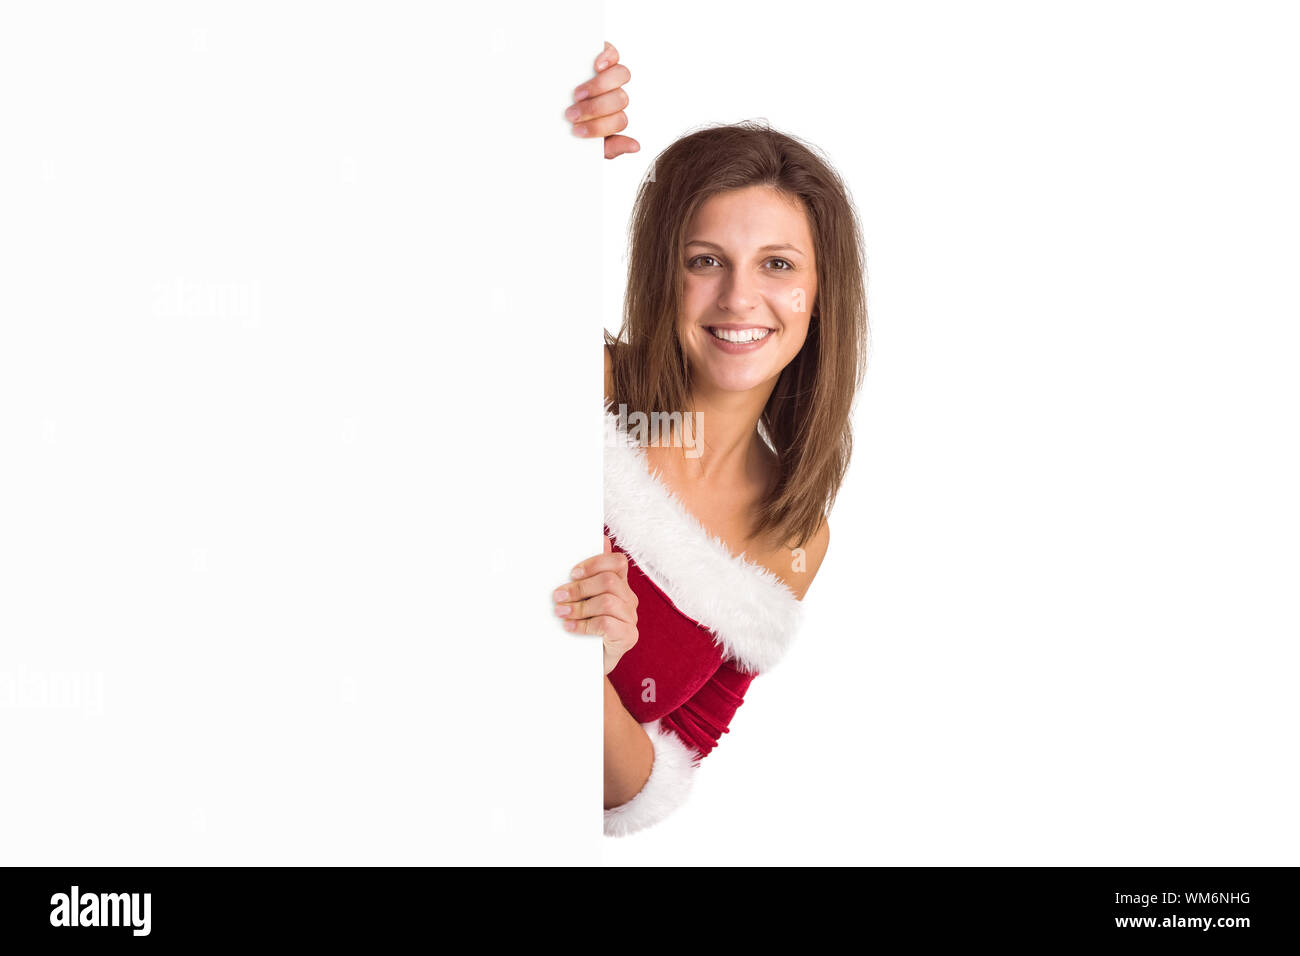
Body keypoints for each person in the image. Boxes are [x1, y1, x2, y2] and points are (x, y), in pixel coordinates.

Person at [557, 42, 868, 836]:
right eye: (706, 261)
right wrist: (547, 149)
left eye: (777, 264)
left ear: (820, 293)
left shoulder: (795, 536)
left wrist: (579, 672)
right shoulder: (576, 384)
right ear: (666, 272)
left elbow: (640, 789)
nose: (740, 298)